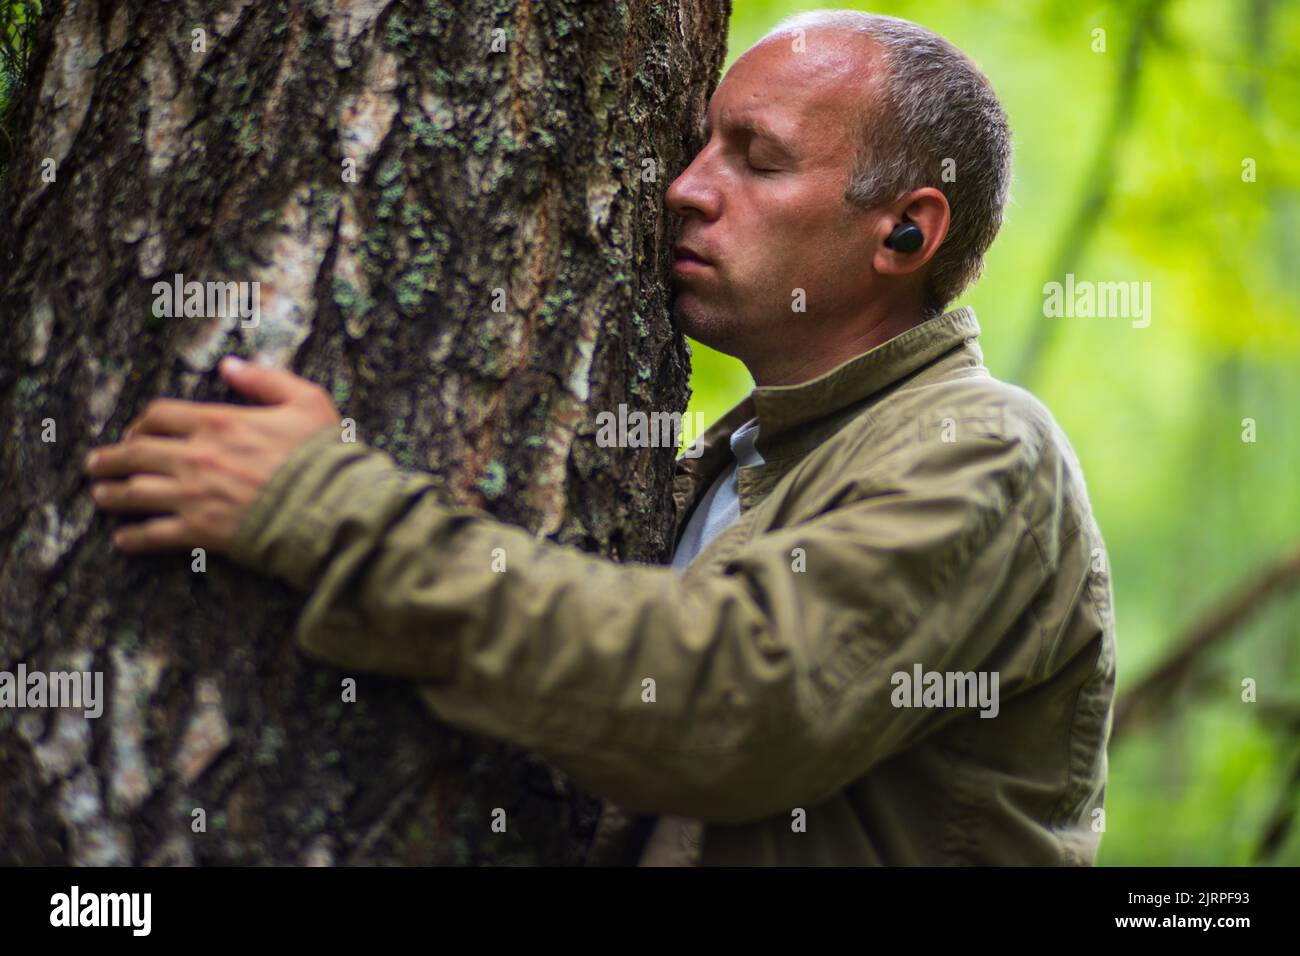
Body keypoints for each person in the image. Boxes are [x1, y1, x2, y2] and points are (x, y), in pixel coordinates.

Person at [85, 10, 1116, 865]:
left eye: (755, 160)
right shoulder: (743, 461)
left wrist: (333, 516)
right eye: (700, 147)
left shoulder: (981, 447)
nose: (684, 188)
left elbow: (724, 705)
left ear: (904, 231)